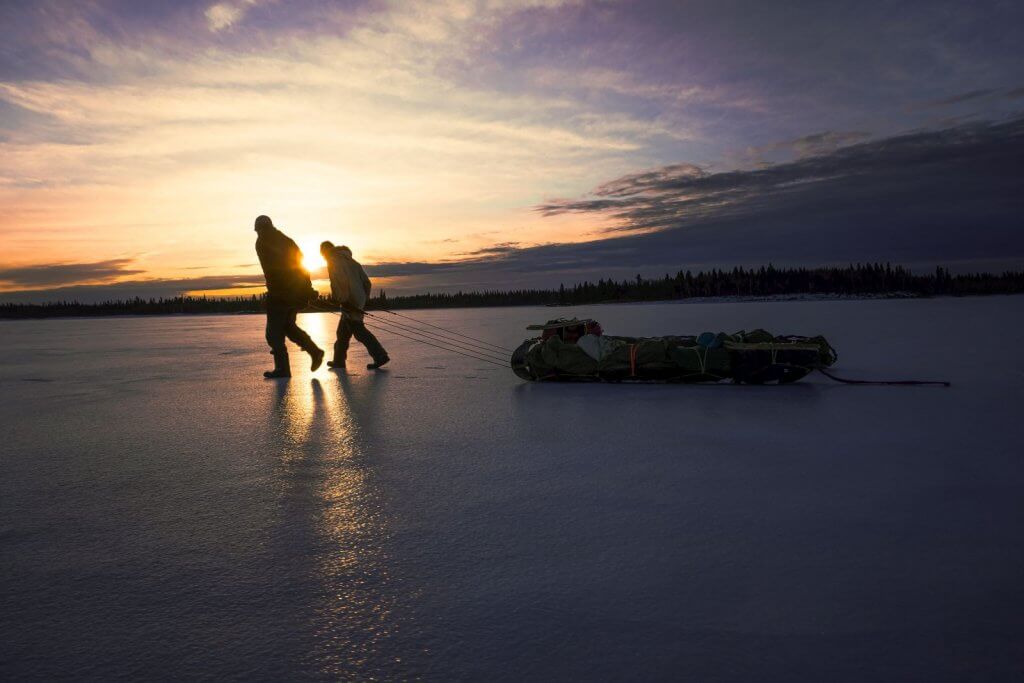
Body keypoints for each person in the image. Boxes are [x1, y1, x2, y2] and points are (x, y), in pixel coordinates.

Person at [254, 215, 324, 378]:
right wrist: (306, 289)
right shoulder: (285, 241)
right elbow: (301, 265)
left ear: (263, 228)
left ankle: (283, 369)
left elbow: (284, 270)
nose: (258, 233)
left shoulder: (264, 242)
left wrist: (303, 290)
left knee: (273, 333)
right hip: (290, 293)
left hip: (281, 295)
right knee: (288, 327)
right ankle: (314, 351)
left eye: (259, 230)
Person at [320, 241, 390, 370]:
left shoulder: (333, 261)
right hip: (358, 300)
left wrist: (342, 300)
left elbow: (339, 283)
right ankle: (338, 360)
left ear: (324, 252)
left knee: (358, 330)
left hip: (349, 301)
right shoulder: (353, 262)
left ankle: (380, 355)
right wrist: (365, 299)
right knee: (343, 332)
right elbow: (367, 282)